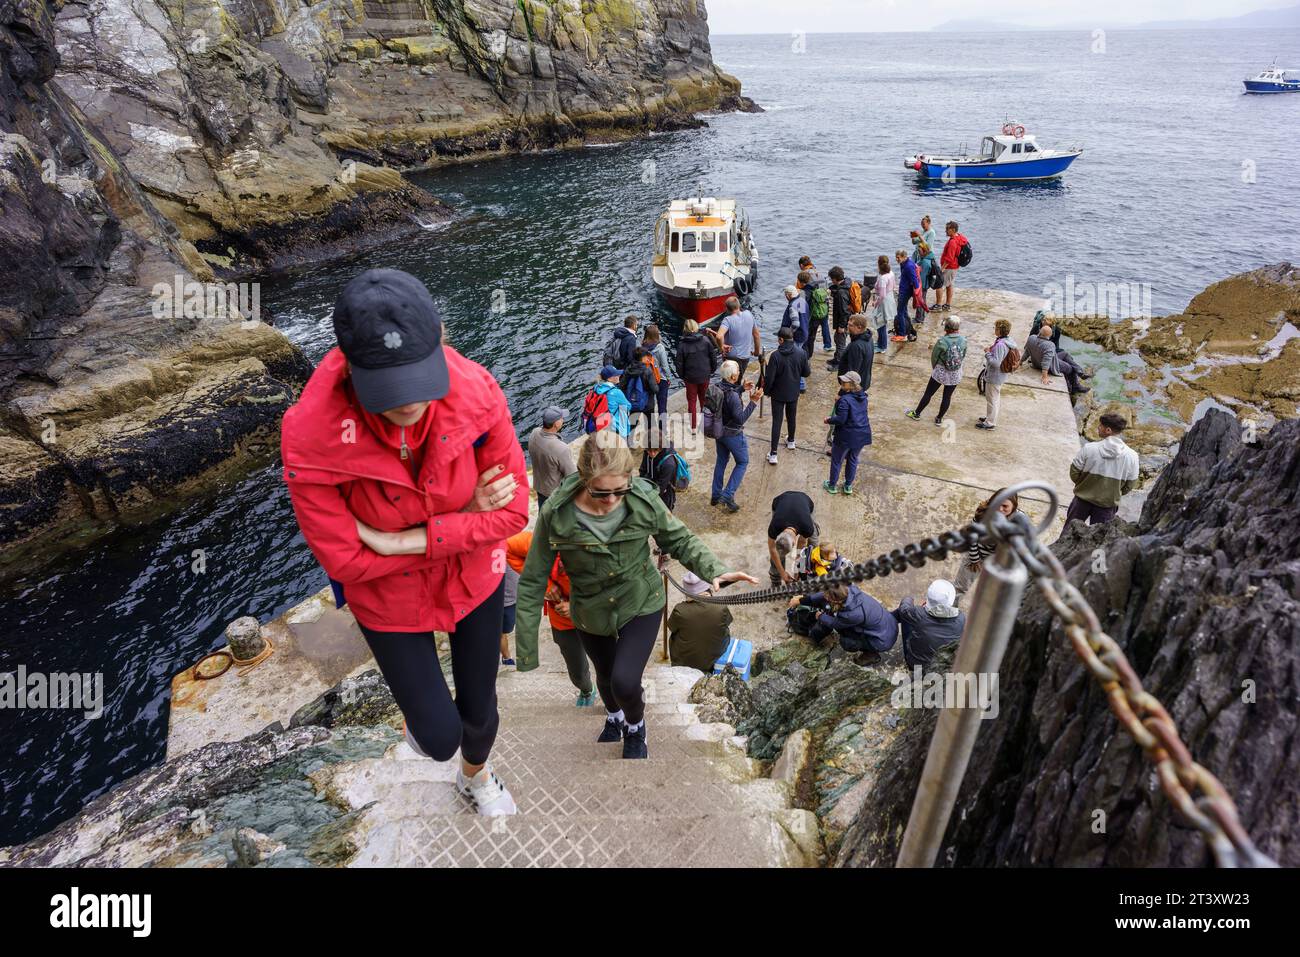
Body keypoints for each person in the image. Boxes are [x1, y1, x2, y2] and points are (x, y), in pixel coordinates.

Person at [282, 267, 528, 816]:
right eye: (387, 388)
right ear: (348, 366)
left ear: (441, 340)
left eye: (419, 379)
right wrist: (464, 517)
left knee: (481, 714)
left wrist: (399, 541)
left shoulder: (477, 393)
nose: (407, 404)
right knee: (439, 737)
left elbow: (512, 511)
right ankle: (435, 737)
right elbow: (344, 558)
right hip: (390, 598)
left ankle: (476, 778)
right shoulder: (311, 433)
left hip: (473, 575)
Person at [514, 431, 757, 759]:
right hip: (590, 608)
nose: (612, 500)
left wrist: (713, 569)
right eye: (601, 492)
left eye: (620, 490)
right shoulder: (556, 514)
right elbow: (533, 577)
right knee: (604, 675)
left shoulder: (643, 500)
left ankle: (635, 726)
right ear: (584, 480)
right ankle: (613, 717)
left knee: (625, 680)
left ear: (630, 478)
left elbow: (679, 539)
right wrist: (527, 651)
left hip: (640, 600)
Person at [542, 554, 598, 706]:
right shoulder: (538, 543)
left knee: (610, 665)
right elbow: (507, 547)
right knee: (577, 670)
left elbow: (613, 587)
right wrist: (546, 586)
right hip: (563, 623)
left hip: (597, 617)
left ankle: (615, 703)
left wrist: (574, 606)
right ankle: (587, 690)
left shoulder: (597, 547)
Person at [1066, 413, 1140, 526]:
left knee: (1068, 532)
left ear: (1108, 430)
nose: (1098, 428)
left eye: (1100, 425)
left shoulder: (1089, 448)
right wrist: (1113, 492)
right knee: (1096, 539)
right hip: (1107, 507)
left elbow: (1074, 473)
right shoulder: (1132, 456)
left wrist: (1084, 485)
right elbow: (1129, 485)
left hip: (1081, 501)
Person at [953, 488, 1024, 602]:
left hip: (998, 558)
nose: (1000, 509)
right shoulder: (983, 513)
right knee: (960, 588)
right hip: (976, 553)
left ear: (1013, 507)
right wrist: (975, 560)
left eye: (1005, 506)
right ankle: (949, 615)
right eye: (997, 504)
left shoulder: (1019, 520)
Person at [710, 359, 762, 513]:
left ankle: (716, 494)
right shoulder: (732, 396)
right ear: (733, 376)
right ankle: (728, 495)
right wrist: (753, 401)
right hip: (733, 434)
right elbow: (740, 418)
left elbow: (727, 396)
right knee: (742, 462)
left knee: (721, 461)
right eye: (738, 371)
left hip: (719, 431)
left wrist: (740, 389)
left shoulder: (717, 387)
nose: (739, 373)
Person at [791, 582, 896, 658]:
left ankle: (871, 653)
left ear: (835, 600)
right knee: (831, 612)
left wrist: (820, 616)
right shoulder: (847, 588)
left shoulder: (852, 614)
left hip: (882, 639)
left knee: (846, 642)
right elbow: (825, 595)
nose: (824, 595)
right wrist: (802, 600)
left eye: (827, 597)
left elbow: (836, 624)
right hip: (889, 622)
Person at [667, 572, 734, 673]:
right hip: (716, 656)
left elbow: (671, 627)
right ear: (707, 587)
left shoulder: (679, 610)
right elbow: (728, 622)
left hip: (685, 662)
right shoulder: (721, 607)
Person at [905, 315, 967, 426]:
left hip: (941, 372)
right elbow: (963, 355)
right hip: (955, 373)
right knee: (947, 396)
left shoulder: (942, 341)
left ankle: (917, 413)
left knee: (928, 393)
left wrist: (936, 369)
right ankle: (939, 419)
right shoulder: (963, 340)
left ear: (946, 328)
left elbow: (934, 357)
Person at [763, 325, 811, 465]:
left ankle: (773, 453)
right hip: (793, 392)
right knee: (792, 417)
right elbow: (806, 373)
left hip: (778, 394)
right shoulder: (801, 353)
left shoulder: (775, 356)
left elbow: (769, 378)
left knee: (777, 422)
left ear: (780, 340)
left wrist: (767, 392)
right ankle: (791, 441)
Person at [893, 580, 965, 669]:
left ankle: (887, 622)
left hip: (916, 665)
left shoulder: (918, 613)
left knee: (907, 618)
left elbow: (904, 609)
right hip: (942, 668)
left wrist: (908, 598)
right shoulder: (961, 619)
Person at [823, 370, 872, 496]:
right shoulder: (864, 397)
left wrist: (829, 420)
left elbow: (841, 419)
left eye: (844, 382)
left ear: (850, 384)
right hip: (862, 435)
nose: (842, 383)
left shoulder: (845, 400)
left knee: (837, 460)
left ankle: (832, 485)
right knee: (853, 459)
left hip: (845, 436)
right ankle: (848, 486)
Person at [767, 489, 818, 586]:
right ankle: (775, 578)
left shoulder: (806, 527)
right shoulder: (774, 526)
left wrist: (797, 570)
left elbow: (801, 546)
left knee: (813, 545)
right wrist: (782, 573)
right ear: (779, 535)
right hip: (780, 500)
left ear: (794, 542)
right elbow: (772, 549)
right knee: (778, 553)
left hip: (805, 501)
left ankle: (807, 574)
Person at [1024, 322, 1092, 395]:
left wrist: (1019, 362)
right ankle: (1075, 387)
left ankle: (1080, 372)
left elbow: (1027, 351)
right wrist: (1044, 377)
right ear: (1048, 336)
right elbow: (1046, 362)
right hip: (1048, 365)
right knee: (1070, 368)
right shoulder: (1050, 345)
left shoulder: (1032, 338)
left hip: (1040, 360)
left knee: (1065, 354)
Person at [528, 404, 575, 510]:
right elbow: (572, 477)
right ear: (556, 424)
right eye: (562, 418)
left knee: (543, 516)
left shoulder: (534, 433)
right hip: (555, 495)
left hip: (540, 488)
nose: (563, 419)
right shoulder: (561, 448)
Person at [676, 317, 719, 430]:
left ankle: (693, 427)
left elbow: (679, 364)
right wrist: (712, 370)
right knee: (704, 400)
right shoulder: (705, 340)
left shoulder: (682, 344)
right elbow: (713, 357)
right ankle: (706, 424)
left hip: (690, 378)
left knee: (691, 402)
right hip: (705, 375)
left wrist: (682, 376)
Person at [977, 319, 1019, 431]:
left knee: (992, 400)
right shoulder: (1007, 340)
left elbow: (995, 363)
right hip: (1000, 375)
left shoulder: (1001, 345)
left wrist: (987, 353)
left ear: (1000, 330)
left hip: (995, 376)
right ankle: (990, 417)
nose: (994, 329)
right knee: (994, 398)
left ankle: (990, 423)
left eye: (996, 328)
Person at [500, 530, 533, 666]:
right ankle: (506, 658)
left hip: (515, 595)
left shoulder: (516, 540)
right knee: (500, 631)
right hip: (498, 599)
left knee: (508, 627)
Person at [715, 296, 761, 379]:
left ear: (727, 309)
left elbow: (719, 336)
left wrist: (721, 348)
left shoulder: (727, 320)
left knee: (728, 380)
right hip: (745, 356)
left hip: (731, 356)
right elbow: (756, 335)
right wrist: (757, 351)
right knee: (739, 379)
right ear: (739, 306)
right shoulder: (749, 314)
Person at [621, 346, 660, 440]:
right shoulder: (647, 371)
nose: (648, 358)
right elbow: (655, 389)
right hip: (648, 403)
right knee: (650, 424)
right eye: (646, 356)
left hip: (633, 402)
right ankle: (651, 443)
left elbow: (622, 385)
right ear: (642, 358)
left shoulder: (628, 370)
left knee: (632, 423)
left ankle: (628, 442)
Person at [583, 365, 633, 437]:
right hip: (612, 427)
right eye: (616, 374)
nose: (619, 375)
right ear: (610, 378)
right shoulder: (616, 392)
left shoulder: (596, 388)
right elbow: (628, 406)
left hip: (599, 424)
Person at [641, 324, 671, 440]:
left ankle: (650, 431)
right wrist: (668, 378)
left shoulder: (642, 347)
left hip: (648, 380)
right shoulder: (660, 347)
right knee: (662, 406)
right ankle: (662, 432)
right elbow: (665, 366)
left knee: (650, 406)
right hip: (661, 380)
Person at [827, 266, 861, 368]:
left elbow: (844, 311)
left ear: (834, 279)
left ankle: (839, 364)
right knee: (837, 339)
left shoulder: (841, 293)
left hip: (844, 321)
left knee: (840, 342)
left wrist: (842, 326)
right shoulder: (848, 283)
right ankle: (836, 358)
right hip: (849, 317)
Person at [799, 256, 832, 353]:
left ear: (801, 265)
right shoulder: (818, 272)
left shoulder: (804, 274)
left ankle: (807, 350)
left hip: (814, 307)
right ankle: (828, 345)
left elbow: (804, 294)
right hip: (824, 304)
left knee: (811, 330)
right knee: (825, 324)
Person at [640, 444, 682, 512]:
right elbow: (642, 470)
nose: (652, 454)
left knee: (664, 514)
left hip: (665, 495)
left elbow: (661, 488)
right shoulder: (647, 452)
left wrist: (646, 498)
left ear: (660, 448)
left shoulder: (669, 464)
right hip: (650, 487)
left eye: (655, 450)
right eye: (649, 451)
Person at [938, 221, 968, 311]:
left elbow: (949, 258)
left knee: (940, 285)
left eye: (947, 229)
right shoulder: (959, 237)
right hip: (954, 266)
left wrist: (941, 269)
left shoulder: (952, 242)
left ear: (953, 230)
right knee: (949, 285)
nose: (945, 231)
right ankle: (947, 305)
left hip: (949, 267)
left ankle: (938, 305)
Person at [869, 256, 896, 355]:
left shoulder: (883, 278)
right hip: (890, 297)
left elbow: (882, 295)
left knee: (880, 323)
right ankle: (880, 342)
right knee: (882, 322)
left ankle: (882, 346)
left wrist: (876, 302)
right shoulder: (891, 273)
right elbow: (893, 286)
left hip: (884, 301)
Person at [894, 250, 922, 342]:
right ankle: (908, 328)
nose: (896, 259)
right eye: (896, 257)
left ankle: (902, 334)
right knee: (904, 311)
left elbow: (915, 282)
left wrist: (916, 295)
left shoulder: (908, 266)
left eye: (898, 257)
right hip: (904, 289)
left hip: (905, 292)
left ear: (904, 257)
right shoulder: (905, 263)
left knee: (900, 312)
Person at [912, 215, 939, 305]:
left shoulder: (931, 232)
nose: (922, 226)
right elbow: (914, 242)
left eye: (924, 224)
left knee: (922, 284)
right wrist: (914, 236)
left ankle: (921, 304)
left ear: (928, 223)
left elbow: (928, 246)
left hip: (925, 258)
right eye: (921, 224)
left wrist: (919, 236)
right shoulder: (924, 231)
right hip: (919, 257)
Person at [781, 282, 810, 359]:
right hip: (805, 332)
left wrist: (789, 333)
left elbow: (796, 323)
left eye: (786, 295)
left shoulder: (793, 306)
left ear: (789, 295)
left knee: (794, 356)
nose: (785, 297)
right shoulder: (802, 301)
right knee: (802, 353)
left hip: (798, 336)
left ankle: (797, 370)